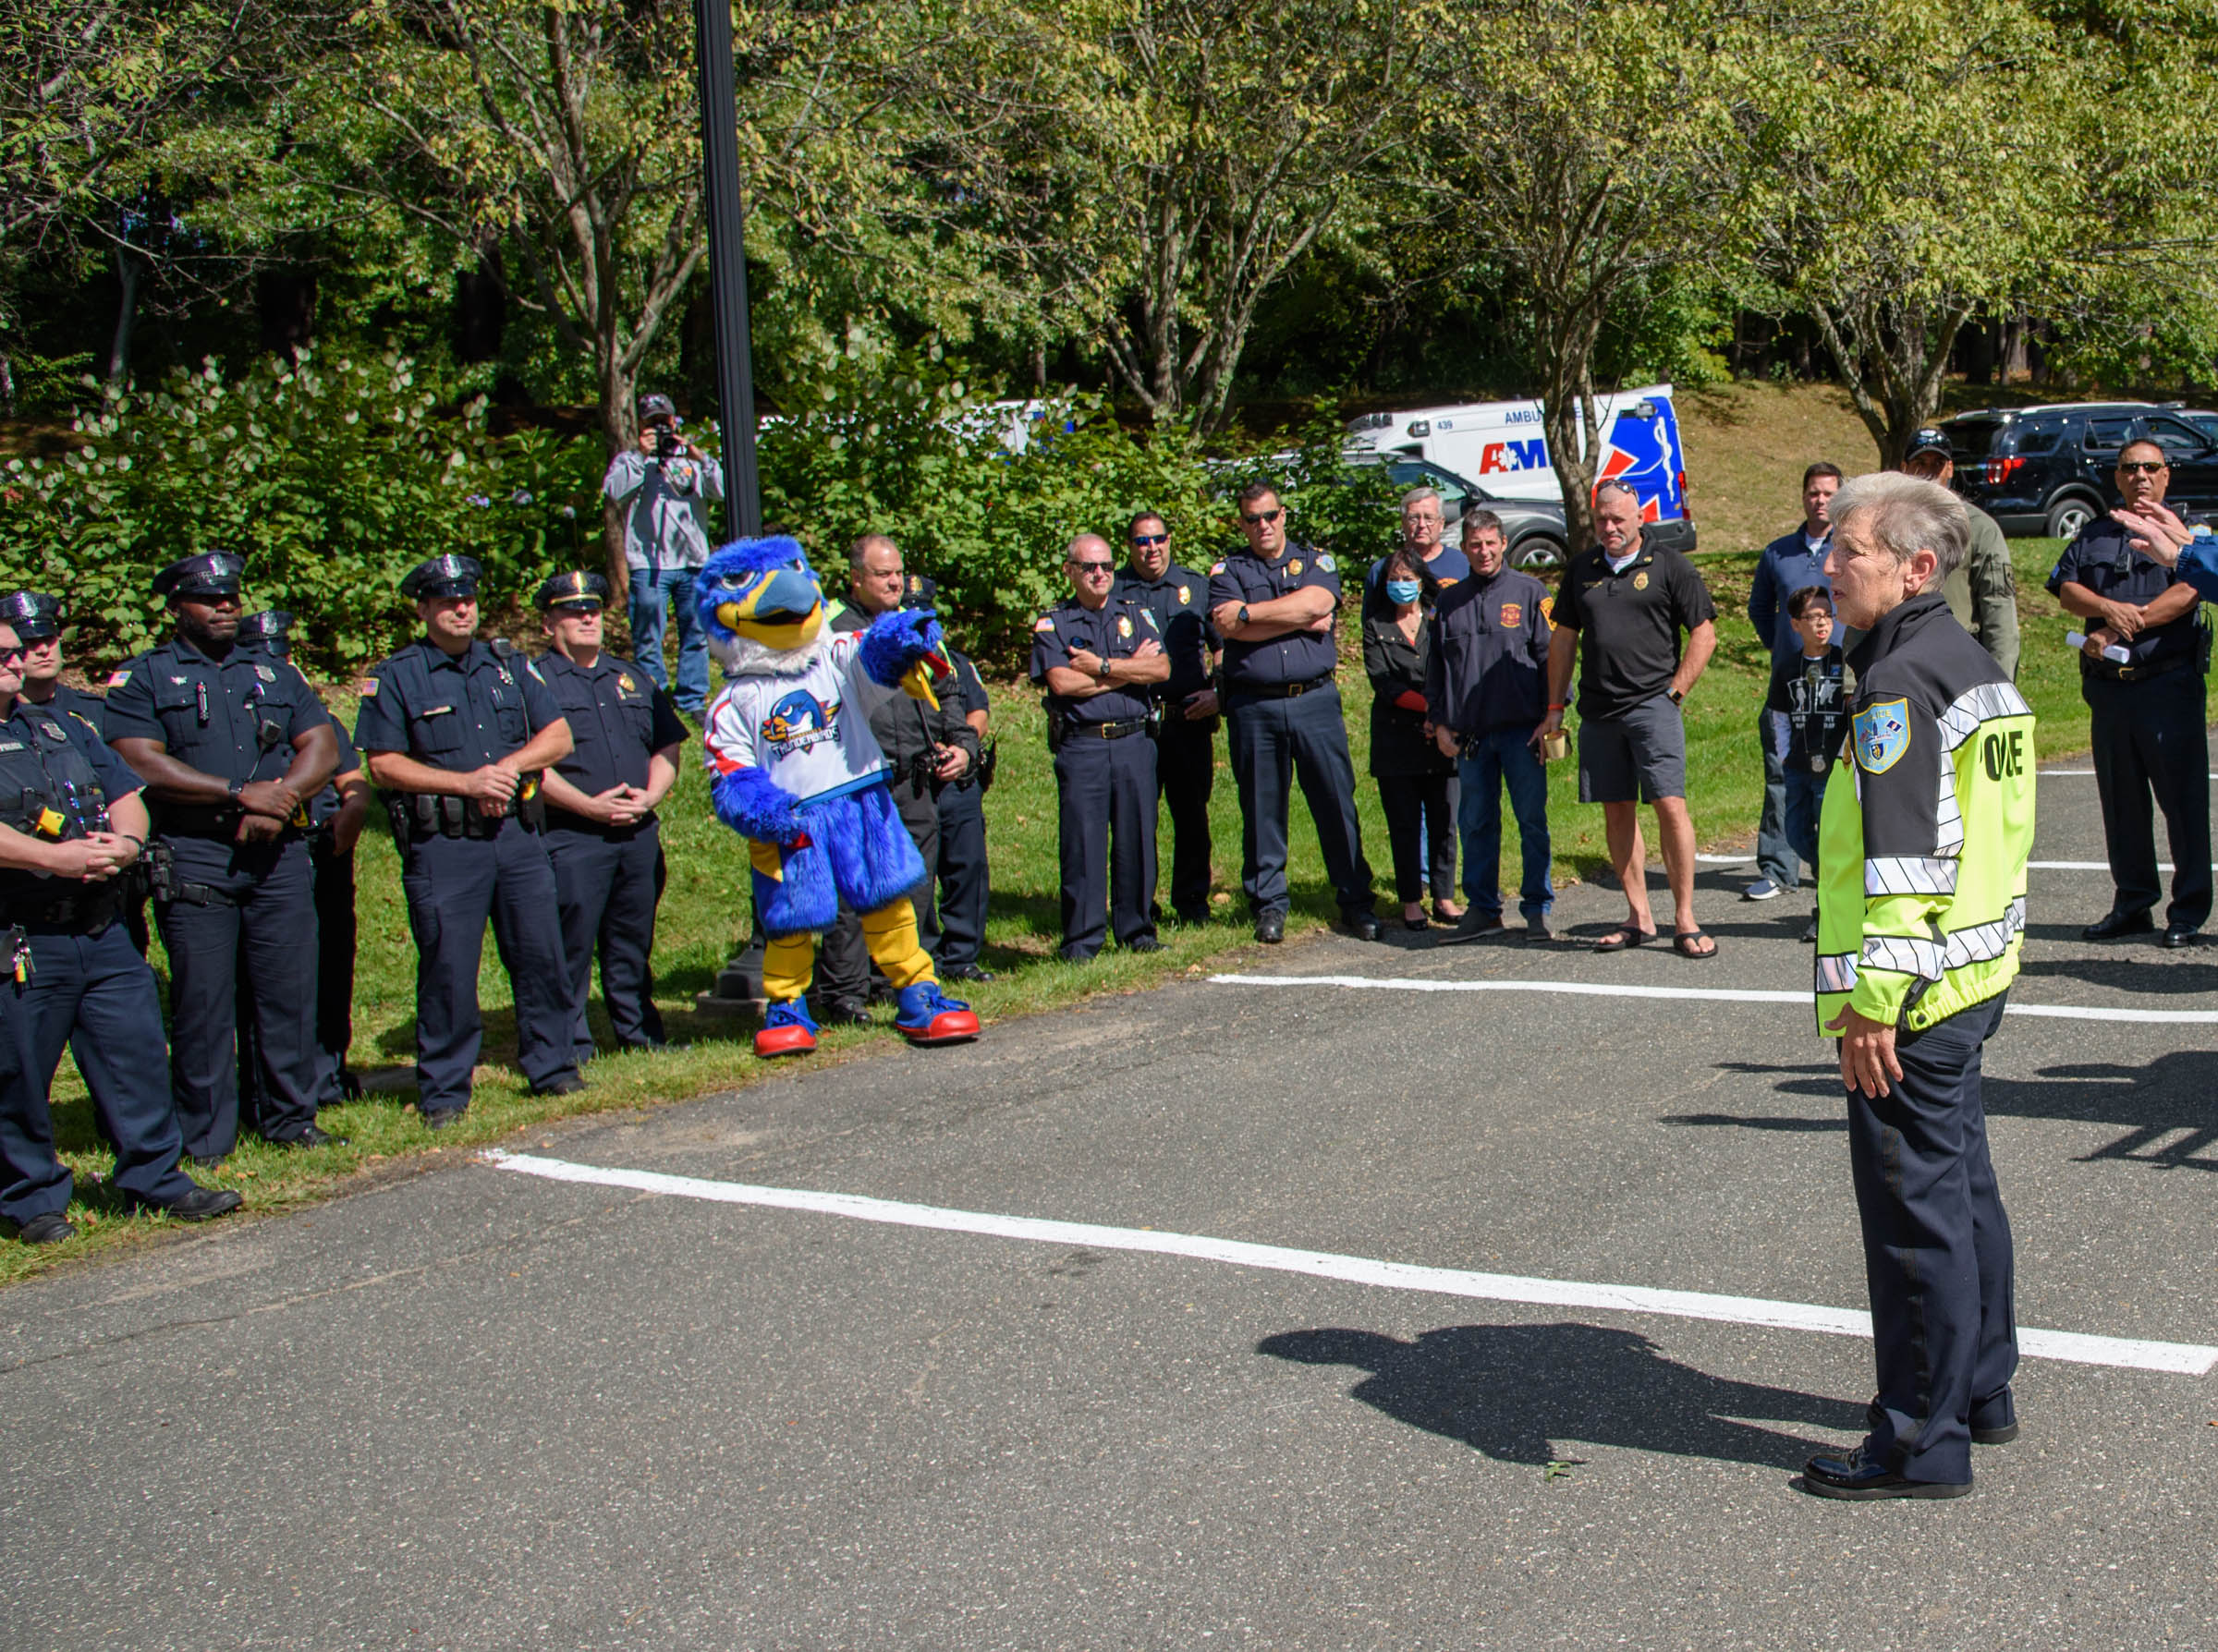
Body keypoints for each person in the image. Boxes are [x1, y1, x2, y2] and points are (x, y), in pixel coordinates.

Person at [1804, 469, 2034, 1501]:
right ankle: (1982, 1389)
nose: (1829, 568)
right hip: (1975, 976)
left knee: (1913, 1222)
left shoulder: (1897, 683)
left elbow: (1902, 862)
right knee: (1964, 1192)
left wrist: (1871, 1002)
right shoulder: (1972, 661)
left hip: (1916, 993)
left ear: (1915, 567)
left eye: (1847, 551)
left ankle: (1918, 1439)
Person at [0, 616, 241, 1243]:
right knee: (18, 1073)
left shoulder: (58, 724)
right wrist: (53, 858)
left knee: (134, 1053)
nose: (14, 661)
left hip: (100, 926)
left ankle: (154, 1178)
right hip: (22, 936)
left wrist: (128, 843)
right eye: (1, 653)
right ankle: (28, 1200)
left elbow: (125, 790)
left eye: (15, 651)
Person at [105, 554, 340, 1161]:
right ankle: (206, 1137)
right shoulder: (147, 677)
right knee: (204, 1005)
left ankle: (290, 1119)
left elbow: (320, 741)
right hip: (197, 856)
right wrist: (237, 794)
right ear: (176, 607)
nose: (225, 606)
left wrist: (281, 801)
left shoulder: (272, 673)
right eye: (209, 599)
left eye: (232, 596)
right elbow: (136, 759)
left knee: (288, 995)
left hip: (278, 853)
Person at [354, 554, 583, 1125]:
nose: (462, 609)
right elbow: (382, 764)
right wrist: (465, 783)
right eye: (448, 601)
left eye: (469, 599)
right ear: (425, 609)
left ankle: (553, 1067)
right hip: (445, 846)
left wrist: (506, 769)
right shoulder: (397, 675)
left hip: (515, 835)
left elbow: (557, 737)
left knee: (540, 954)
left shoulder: (509, 666)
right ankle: (445, 1090)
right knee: (449, 967)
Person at [1538, 480, 1719, 959]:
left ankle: (1684, 918)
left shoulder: (1670, 565)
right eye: (1602, 519)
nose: (1610, 527)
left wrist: (1675, 692)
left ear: (1640, 518)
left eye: (1619, 518)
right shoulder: (1581, 570)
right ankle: (1639, 915)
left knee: (1669, 805)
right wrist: (1555, 708)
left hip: (1652, 707)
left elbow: (1704, 634)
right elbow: (1563, 641)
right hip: (1599, 712)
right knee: (1616, 809)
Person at [2046, 437, 2210, 947]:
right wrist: (2100, 605)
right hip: (2111, 690)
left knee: (2183, 803)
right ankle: (2134, 902)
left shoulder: (2190, 536)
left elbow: (2189, 591)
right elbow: (2067, 588)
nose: (2140, 476)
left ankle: (2187, 911)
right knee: (2122, 804)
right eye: (2130, 468)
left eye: (2150, 468)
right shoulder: (2094, 533)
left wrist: (2120, 625)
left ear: (2166, 475)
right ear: (2116, 478)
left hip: (2169, 685)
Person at [1209, 482, 1381, 943]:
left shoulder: (1316, 562)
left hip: (1315, 700)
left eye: (1269, 516)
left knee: (1334, 801)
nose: (1262, 525)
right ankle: (1269, 905)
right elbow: (1225, 624)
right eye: (1251, 518)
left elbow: (1319, 603)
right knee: (1263, 808)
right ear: (1241, 522)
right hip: (1255, 705)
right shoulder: (1228, 570)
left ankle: (1355, 901)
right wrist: (1293, 614)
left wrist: (1251, 615)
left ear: (1283, 515)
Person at [530, 571, 688, 1063]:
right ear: (548, 622)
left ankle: (638, 1032)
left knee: (632, 941)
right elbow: (530, 764)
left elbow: (666, 745)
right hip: (573, 835)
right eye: (573, 610)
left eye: (594, 609)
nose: (587, 617)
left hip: (637, 833)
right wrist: (587, 806)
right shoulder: (533, 683)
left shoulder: (632, 677)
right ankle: (571, 1045)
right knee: (569, 948)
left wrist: (650, 797)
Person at [817, 537, 980, 1015]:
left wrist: (962, 745)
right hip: (855, 779)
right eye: (882, 574)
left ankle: (898, 980)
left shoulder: (913, 626)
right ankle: (844, 991)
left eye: (897, 572)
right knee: (852, 890)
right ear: (855, 579)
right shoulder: (828, 631)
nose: (894, 581)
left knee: (912, 885)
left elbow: (949, 690)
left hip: (915, 777)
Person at [234, 610, 371, 1110]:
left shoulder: (319, 715)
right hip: (272, 861)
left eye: (285, 656)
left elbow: (351, 778)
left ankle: (329, 1075)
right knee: (272, 982)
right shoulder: (241, 716)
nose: (280, 666)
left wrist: (355, 807)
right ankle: (266, 1087)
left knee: (332, 968)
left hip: (326, 855)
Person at [1032, 534, 1168, 959]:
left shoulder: (1135, 613)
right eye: (1090, 567)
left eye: (1107, 567)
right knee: (1083, 844)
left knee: (1137, 839)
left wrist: (1103, 668)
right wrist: (1131, 672)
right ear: (1070, 570)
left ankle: (1137, 929)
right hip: (1084, 746)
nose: (1099, 574)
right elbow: (1062, 681)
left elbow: (1162, 668)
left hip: (1134, 741)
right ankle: (1083, 939)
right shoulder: (1053, 623)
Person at [1427, 509, 1555, 943]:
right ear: (1464, 548)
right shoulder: (1448, 602)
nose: (1483, 552)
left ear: (1503, 543)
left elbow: (1551, 659)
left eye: (1490, 543)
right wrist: (1440, 723)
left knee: (1531, 821)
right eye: (1474, 545)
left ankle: (1537, 907)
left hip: (1524, 732)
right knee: (1476, 823)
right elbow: (1436, 671)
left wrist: (1552, 716)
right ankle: (1483, 909)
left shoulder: (1531, 592)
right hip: (1471, 738)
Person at [1115, 511, 1219, 925]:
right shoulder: (1114, 588)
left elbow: (1224, 644)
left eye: (1158, 539)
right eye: (1142, 541)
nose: (1151, 548)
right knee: (1137, 819)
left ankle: (1192, 901)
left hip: (1187, 719)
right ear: (1130, 546)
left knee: (1192, 815)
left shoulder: (1195, 587)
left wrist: (1218, 692)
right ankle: (1140, 906)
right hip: (1135, 723)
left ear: (1169, 539)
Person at [1743, 462, 1840, 901]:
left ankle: (1836, 873)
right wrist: (1786, 647)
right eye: (1813, 493)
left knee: (1835, 784)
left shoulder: (1853, 549)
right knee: (1782, 772)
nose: (1820, 500)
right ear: (1803, 497)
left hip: (1840, 682)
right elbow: (1760, 609)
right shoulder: (1777, 553)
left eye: (1828, 493)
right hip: (1792, 685)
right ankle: (1779, 868)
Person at [602, 392, 724, 718]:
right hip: (648, 564)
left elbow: (720, 490)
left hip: (692, 562)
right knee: (647, 635)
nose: (659, 428)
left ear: (674, 420)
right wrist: (643, 456)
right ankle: (654, 696)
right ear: (641, 426)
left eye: (663, 421)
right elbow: (614, 493)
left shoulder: (692, 460)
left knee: (695, 634)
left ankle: (692, 699)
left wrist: (699, 456)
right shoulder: (631, 460)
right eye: (651, 423)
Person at [1363, 547, 1456, 929]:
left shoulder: (1441, 620)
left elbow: (1455, 668)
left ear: (1422, 581)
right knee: (1404, 823)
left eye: (1408, 578)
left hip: (1443, 738)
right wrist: (1432, 712)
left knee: (1444, 820)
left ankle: (1445, 896)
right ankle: (1410, 900)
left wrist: (1443, 719)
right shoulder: (1375, 624)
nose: (1401, 586)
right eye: (1394, 579)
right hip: (1396, 740)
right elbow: (1385, 683)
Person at [912, 573, 994, 982]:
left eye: (921, 613)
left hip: (958, 778)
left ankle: (962, 956)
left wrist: (962, 749)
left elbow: (977, 711)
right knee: (917, 876)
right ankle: (922, 957)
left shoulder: (955, 662)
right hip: (914, 783)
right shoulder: (883, 666)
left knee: (967, 869)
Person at [1903, 429, 2021, 680]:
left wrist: (2002, 682)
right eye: (1920, 463)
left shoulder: (1979, 528)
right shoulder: (1885, 525)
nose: (1929, 471)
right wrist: (1851, 684)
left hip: (1959, 666)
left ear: (1950, 469)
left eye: (1938, 463)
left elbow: (1998, 608)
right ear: (1905, 468)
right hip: (1899, 662)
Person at [1770, 587, 1849, 944]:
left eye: (1827, 615)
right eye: (1813, 617)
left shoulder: (1845, 662)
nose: (1822, 623)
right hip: (1799, 766)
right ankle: (1828, 875)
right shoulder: (1788, 666)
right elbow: (1779, 715)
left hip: (1833, 766)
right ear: (1795, 624)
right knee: (1797, 834)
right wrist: (1785, 754)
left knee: (1831, 839)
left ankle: (1827, 910)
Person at [0, 591, 110, 733]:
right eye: (29, 642)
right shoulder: (6, 716)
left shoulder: (94, 709)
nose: (43, 650)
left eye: (49, 639)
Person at [1362, 486, 1471, 622]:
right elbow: (1370, 622)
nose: (1421, 525)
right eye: (1413, 518)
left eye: (1429, 518)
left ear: (1441, 523)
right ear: (1403, 523)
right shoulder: (1383, 569)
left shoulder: (1463, 564)